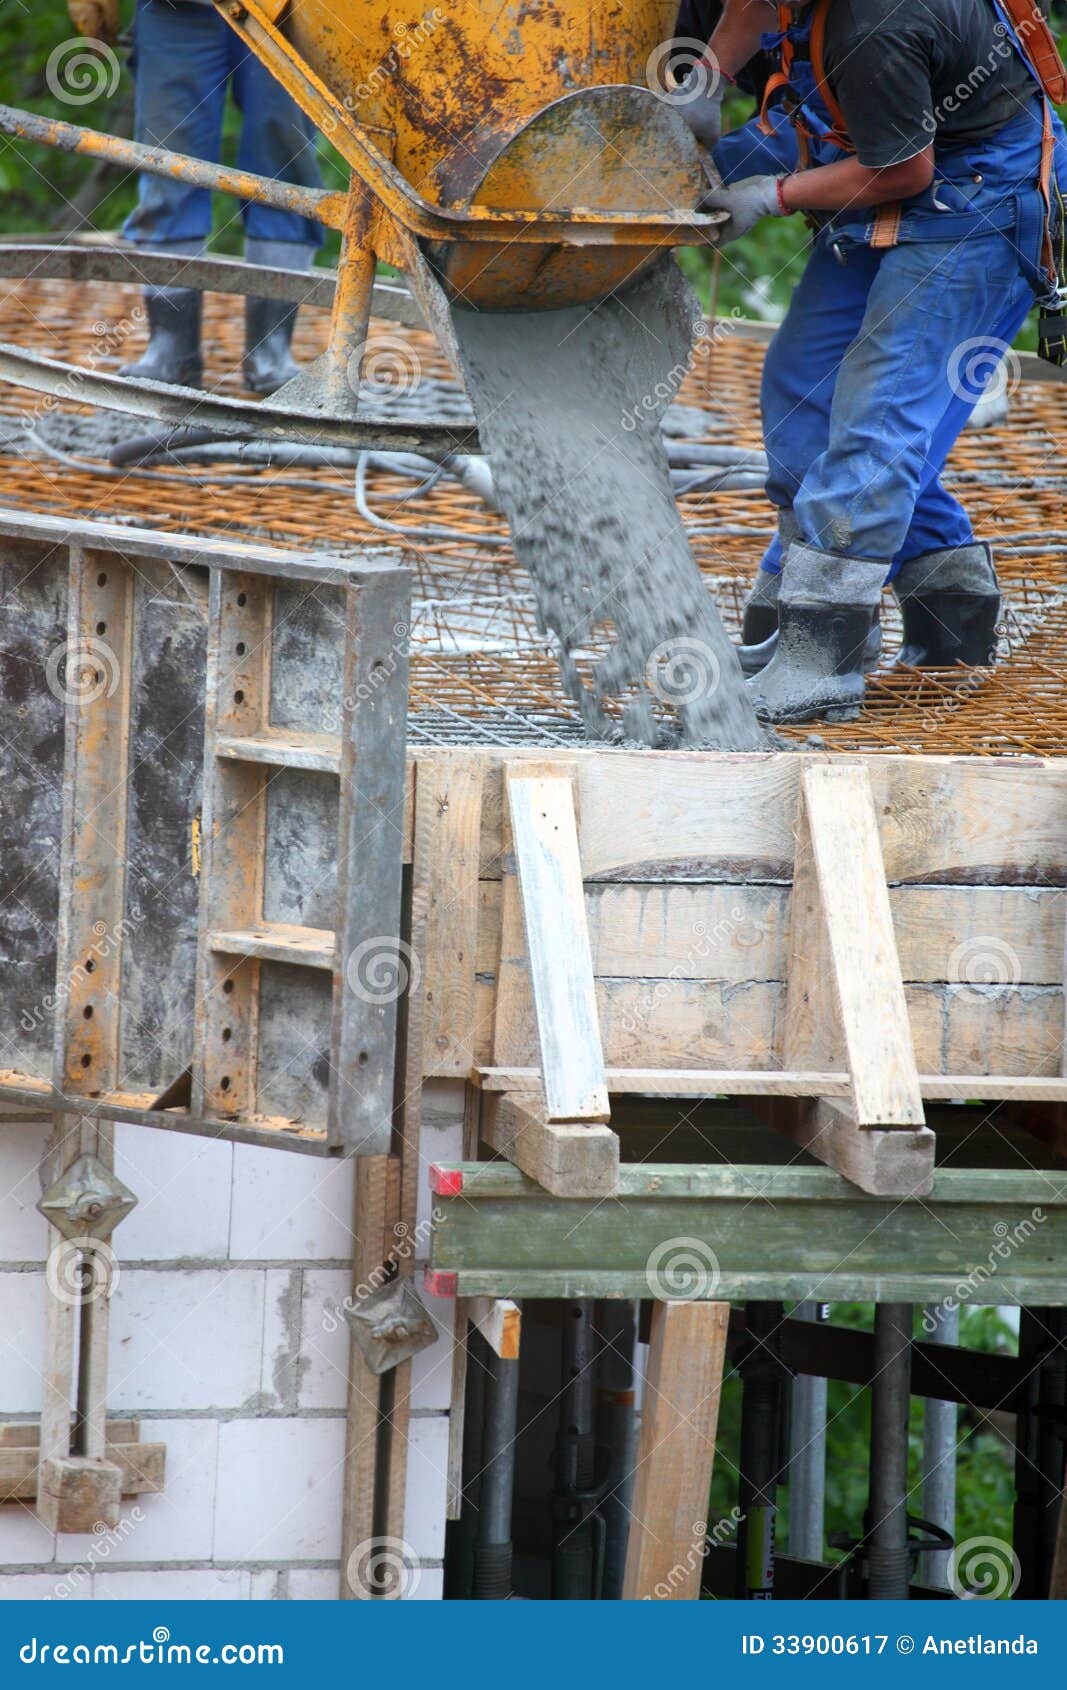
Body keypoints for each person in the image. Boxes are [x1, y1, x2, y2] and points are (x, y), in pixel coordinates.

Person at [668, 0, 1067, 722]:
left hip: (976, 193)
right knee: (801, 399)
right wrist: (704, 82)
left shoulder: (877, 20)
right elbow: (748, 9)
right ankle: (951, 611)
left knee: (878, 421)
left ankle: (823, 658)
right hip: (886, 164)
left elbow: (900, 171)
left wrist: (775, 193)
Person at [68, 0, 324, 393]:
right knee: (167, 161)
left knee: (285, 162)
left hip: (289, 8)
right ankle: (171, 350)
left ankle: (271, 349)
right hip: (174, 8)